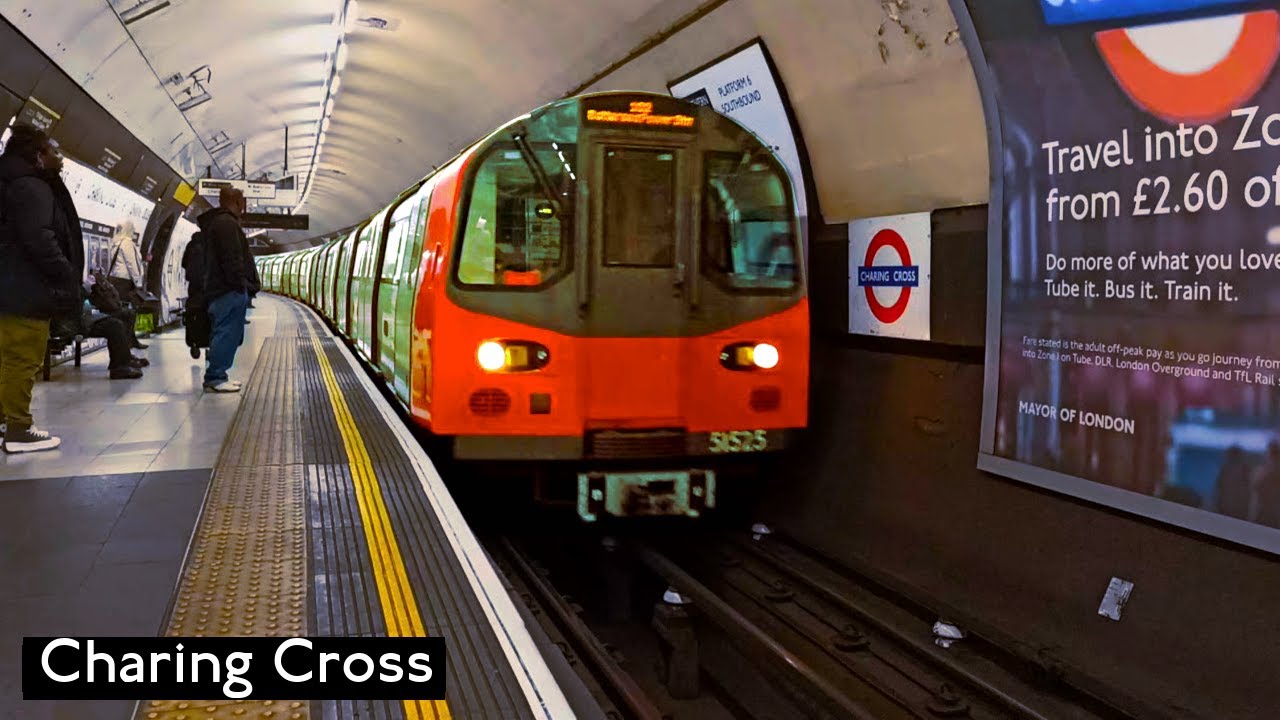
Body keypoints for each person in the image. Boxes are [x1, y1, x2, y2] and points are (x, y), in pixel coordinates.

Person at [0, 125, 78, 453]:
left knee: (8, 359)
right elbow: (41, 239)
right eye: (53, 151)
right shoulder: (31, 187)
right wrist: (66, 275)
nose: (60, 158)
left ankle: (7, 423)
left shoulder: (10, 183)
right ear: (37, 155)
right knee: (23, 359)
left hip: (11, 287)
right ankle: (18, 428)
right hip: (27, 290)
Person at [198, 187, 252, 392]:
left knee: (225, 332)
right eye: (243, 201)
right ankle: (216, 377)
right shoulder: (227, 224)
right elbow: (232, 259)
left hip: (222, 289)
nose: (244, 206)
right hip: (227, 290)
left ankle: (219, 374)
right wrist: (239, 284)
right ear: (237, 201)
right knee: (226, 333)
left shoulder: (219, 223)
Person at [81, 278, 144, 380]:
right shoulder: (63, 268)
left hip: (84, 310)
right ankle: (119, 367)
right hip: (77, 316)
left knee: (127, 315)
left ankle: (126, 357)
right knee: (115, 325)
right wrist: (86, 288)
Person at [181, 230, 210, 358]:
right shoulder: (210, 245)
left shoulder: (190, 245)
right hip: (207, 286)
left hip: (193, 286)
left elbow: (183, 263)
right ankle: (209, 344)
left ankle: (194, 342)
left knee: (193, 313)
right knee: (208, 315)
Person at [107, 220, 145, 304]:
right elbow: (131, 264)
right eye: (133, 229)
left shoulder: (116, 242)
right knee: (125, 304)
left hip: (115, 278)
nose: (134, 230)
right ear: (129, 230)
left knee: (116, 303)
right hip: (125, 281)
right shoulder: (127, 243)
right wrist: (138, 283)